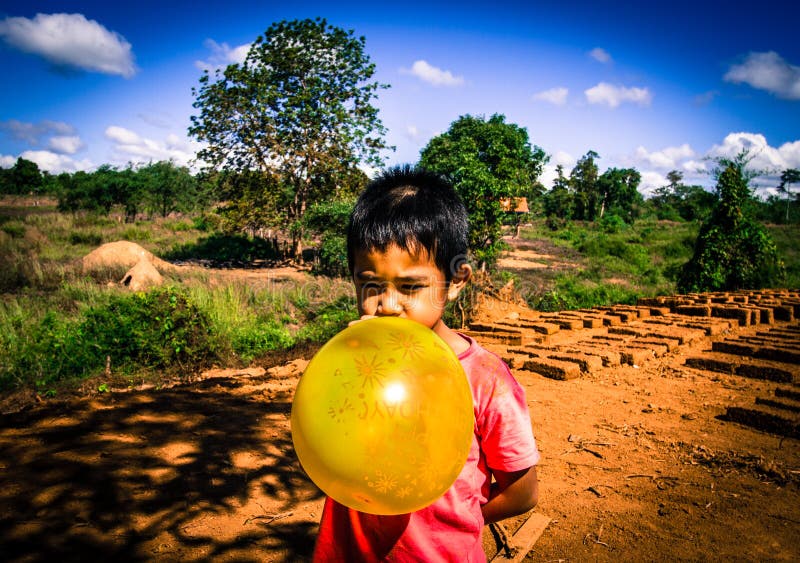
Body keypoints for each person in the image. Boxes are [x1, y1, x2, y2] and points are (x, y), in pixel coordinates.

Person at [313, 165, 540, 562]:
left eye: (410, 287)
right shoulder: (352, 362)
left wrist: (464, 518)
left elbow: (523, 492)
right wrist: (345, 368)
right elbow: (324, 442)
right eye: (370, 284)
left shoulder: (485, 380)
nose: (387, 305)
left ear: (456, 281)